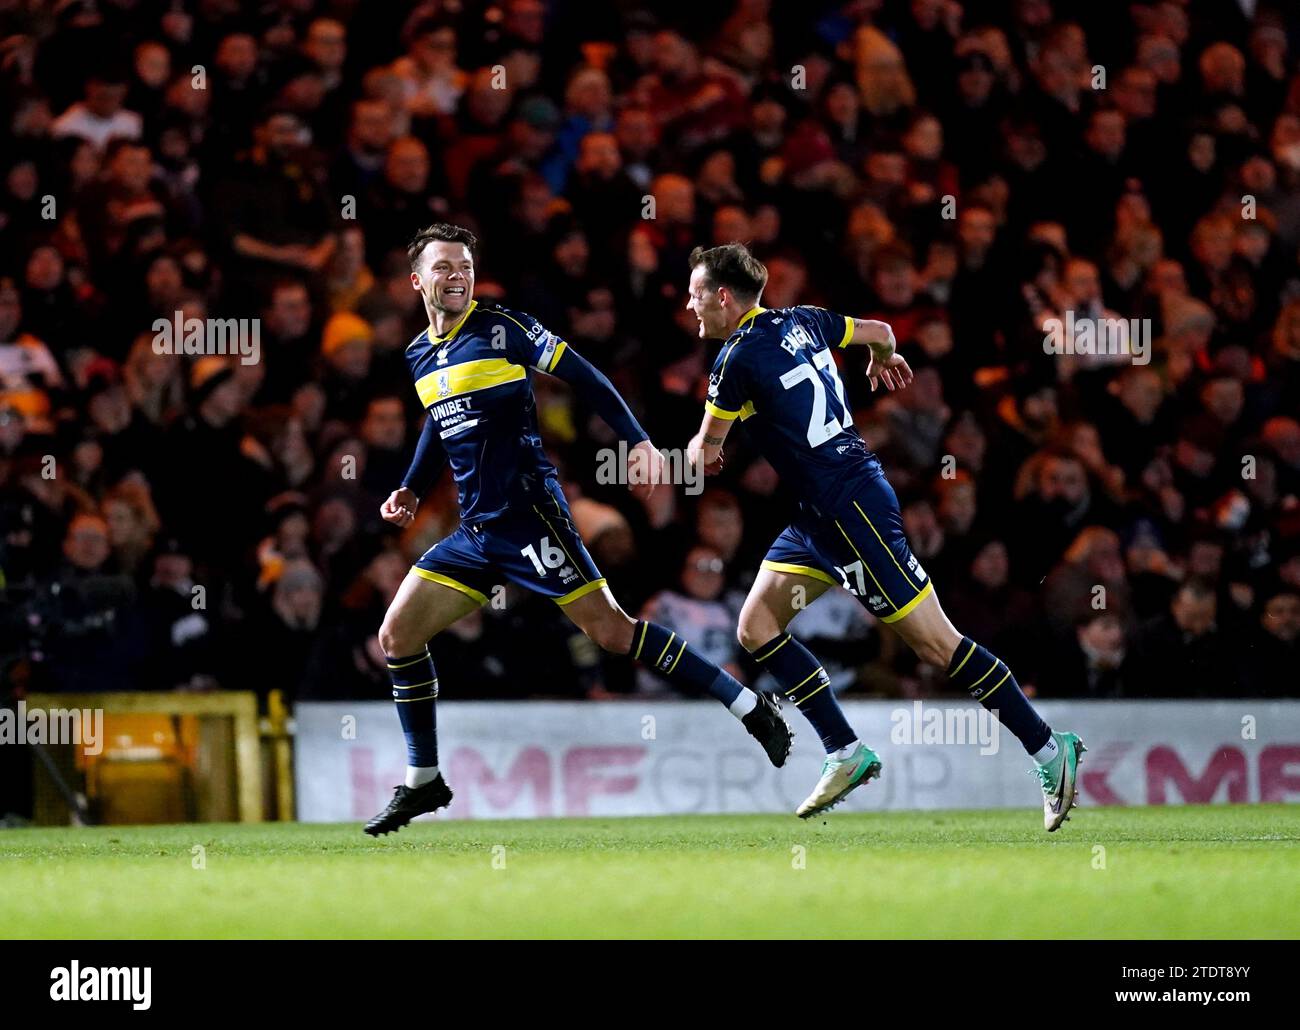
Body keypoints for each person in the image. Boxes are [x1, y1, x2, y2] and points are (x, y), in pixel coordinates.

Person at [363, 224, 790, 836]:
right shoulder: (418, 355)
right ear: (416, 281)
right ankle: (423, 780)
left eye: (464, 264)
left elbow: (586, 376)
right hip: (476, 532)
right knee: (398, 635)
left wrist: (638, 442)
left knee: (615, 634)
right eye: (443, 267)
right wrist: (409, 484)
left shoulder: (502, 329)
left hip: (533, 517)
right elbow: (439, 419)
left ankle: (749, 705)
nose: (457, 274)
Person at [683, 242, 1085, 829]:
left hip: (853, 511)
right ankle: (845, 751)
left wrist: (692, 450)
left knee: (936, 645)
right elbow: (878, 329)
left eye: (696, 296)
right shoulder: (806, 319)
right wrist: (881, 358)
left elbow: (706, 449)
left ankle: (1051, 748)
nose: (691, 308)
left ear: (723, 297)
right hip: (818, 517)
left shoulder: (735, 360)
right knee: (757, 626)